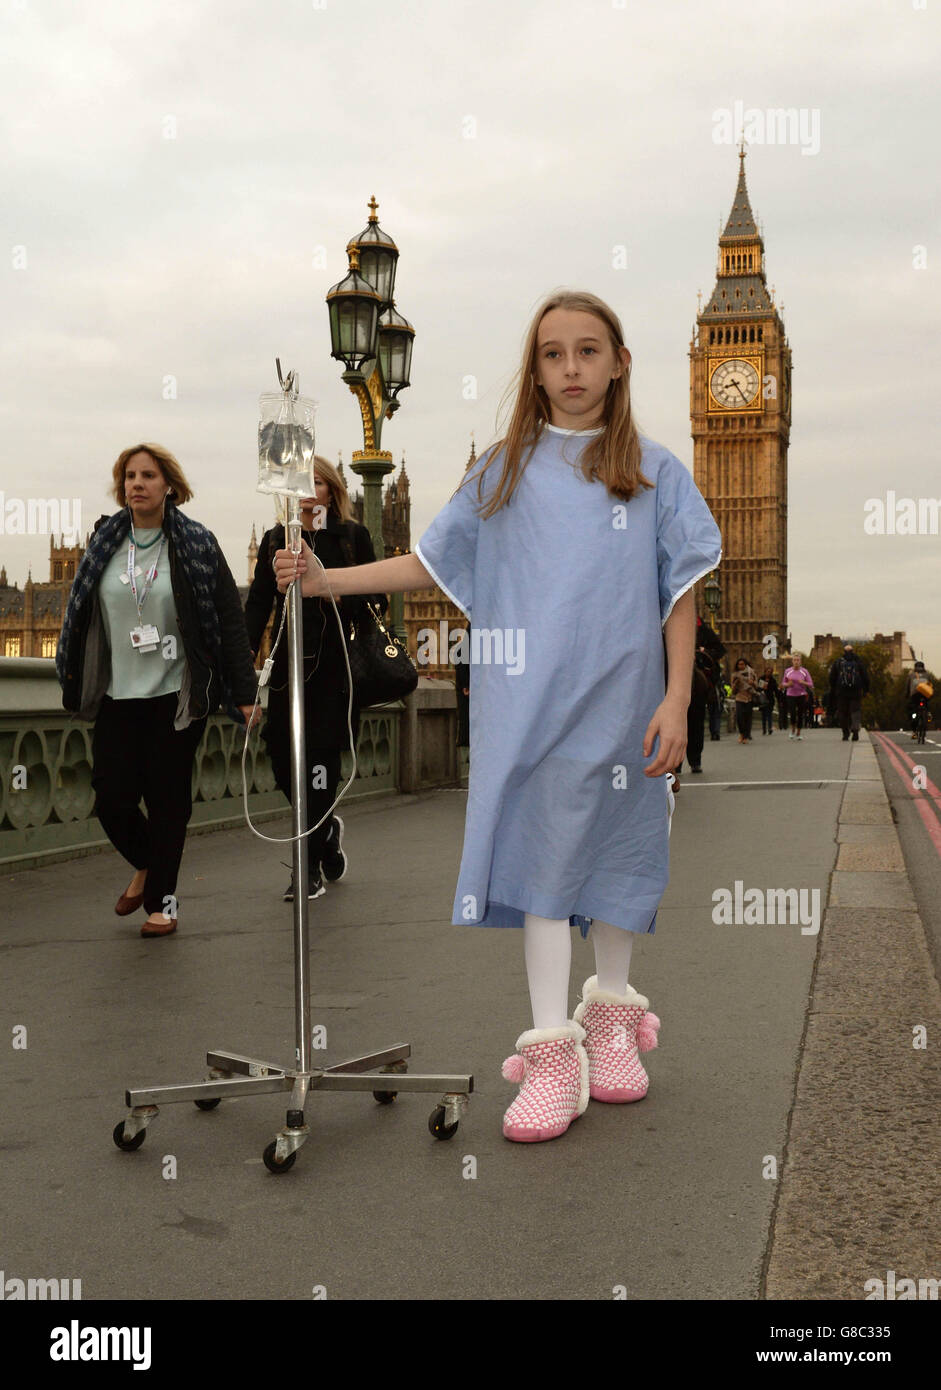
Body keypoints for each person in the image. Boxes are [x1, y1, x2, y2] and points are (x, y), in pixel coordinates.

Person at [274, 289, 721, 1145]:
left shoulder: (658, 471)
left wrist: (677, 697)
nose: (571, 369)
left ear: (619, 363)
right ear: (535, 370)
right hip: (531, 704)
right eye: (553, 355)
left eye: (588, 352)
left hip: (628, 701)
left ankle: (612, 1021)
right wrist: (328, 581)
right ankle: (553, 1056)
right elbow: (429, 561)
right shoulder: (505, 468)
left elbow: (679, 594)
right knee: (546, 866)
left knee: (625, 858)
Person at [56, 443, 259, 937]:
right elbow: (80, 614)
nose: (136, 484)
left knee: (169, 803)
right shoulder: (105, 541)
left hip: (176, 692)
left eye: (148, 475)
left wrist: (244, 690)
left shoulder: (196, 543)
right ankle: (148, 868)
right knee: (111, 799)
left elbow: (229, 622)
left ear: (169, 484)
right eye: (129, 476)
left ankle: (162, 903)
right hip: (116, 692)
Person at [244, 458, 387, 902]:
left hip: (335, 671)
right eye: (301, 484)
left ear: (332, 492)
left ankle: (306, 871)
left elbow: (378, 601)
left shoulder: (351, 538)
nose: (308, 492)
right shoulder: (275, 541)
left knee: (321, 768)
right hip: (289, 670)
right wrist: (240, 672)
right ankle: (325, 836)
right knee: (282, 760)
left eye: (317, 483)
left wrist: (333, 585)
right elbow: (257, 609)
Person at [828, 643, 869, 741]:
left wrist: (834, 689)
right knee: (855, 711)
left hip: (842, 692)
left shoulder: (838, 662)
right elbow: (865, 677)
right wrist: (866, 690)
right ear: (853, 651)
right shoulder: (858, 662)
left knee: (843, 712)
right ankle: (855, 731)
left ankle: (845, 733)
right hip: (856, 692)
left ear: (843, 652)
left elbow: (831, 678)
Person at [781, 653, 814, 740]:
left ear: (800, 662)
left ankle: (798, 732)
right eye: (794, 660)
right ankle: (792, 730)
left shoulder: (804, 671)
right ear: (792, 661)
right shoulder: (788, 671)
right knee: (792, 713)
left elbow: (811, 684)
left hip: (801, 695)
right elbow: (783, 683)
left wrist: (803, 682)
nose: (796, 662)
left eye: (798, 660)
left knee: (800, 714)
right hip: (790, 694)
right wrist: (788, 684)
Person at [730, 656, 758, 743]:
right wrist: (736, 683)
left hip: (749, 698)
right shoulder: (735, 675)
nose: (740, 666)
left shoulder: (752, 673)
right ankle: (742, 733)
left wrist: (752, 682)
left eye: (742, 664)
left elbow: (757, 686)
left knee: (748, 718)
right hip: (739, 698)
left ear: (746, 665)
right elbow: (733, 690)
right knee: (739, 717)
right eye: (739, 664)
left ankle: (745, 736)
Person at [757, 666, 779, 735]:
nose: (768, 673)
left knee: (769, 714)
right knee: (763, 715)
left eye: (770, 672)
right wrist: (762, 688)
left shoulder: (773, 680)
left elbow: (776, 690)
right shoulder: (761, 679)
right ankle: (764, 729)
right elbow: (758, 688)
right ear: (765, 672)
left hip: (770, 699)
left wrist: (778, 699)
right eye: (767, 671)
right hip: (762, 699)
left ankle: (769, 728)